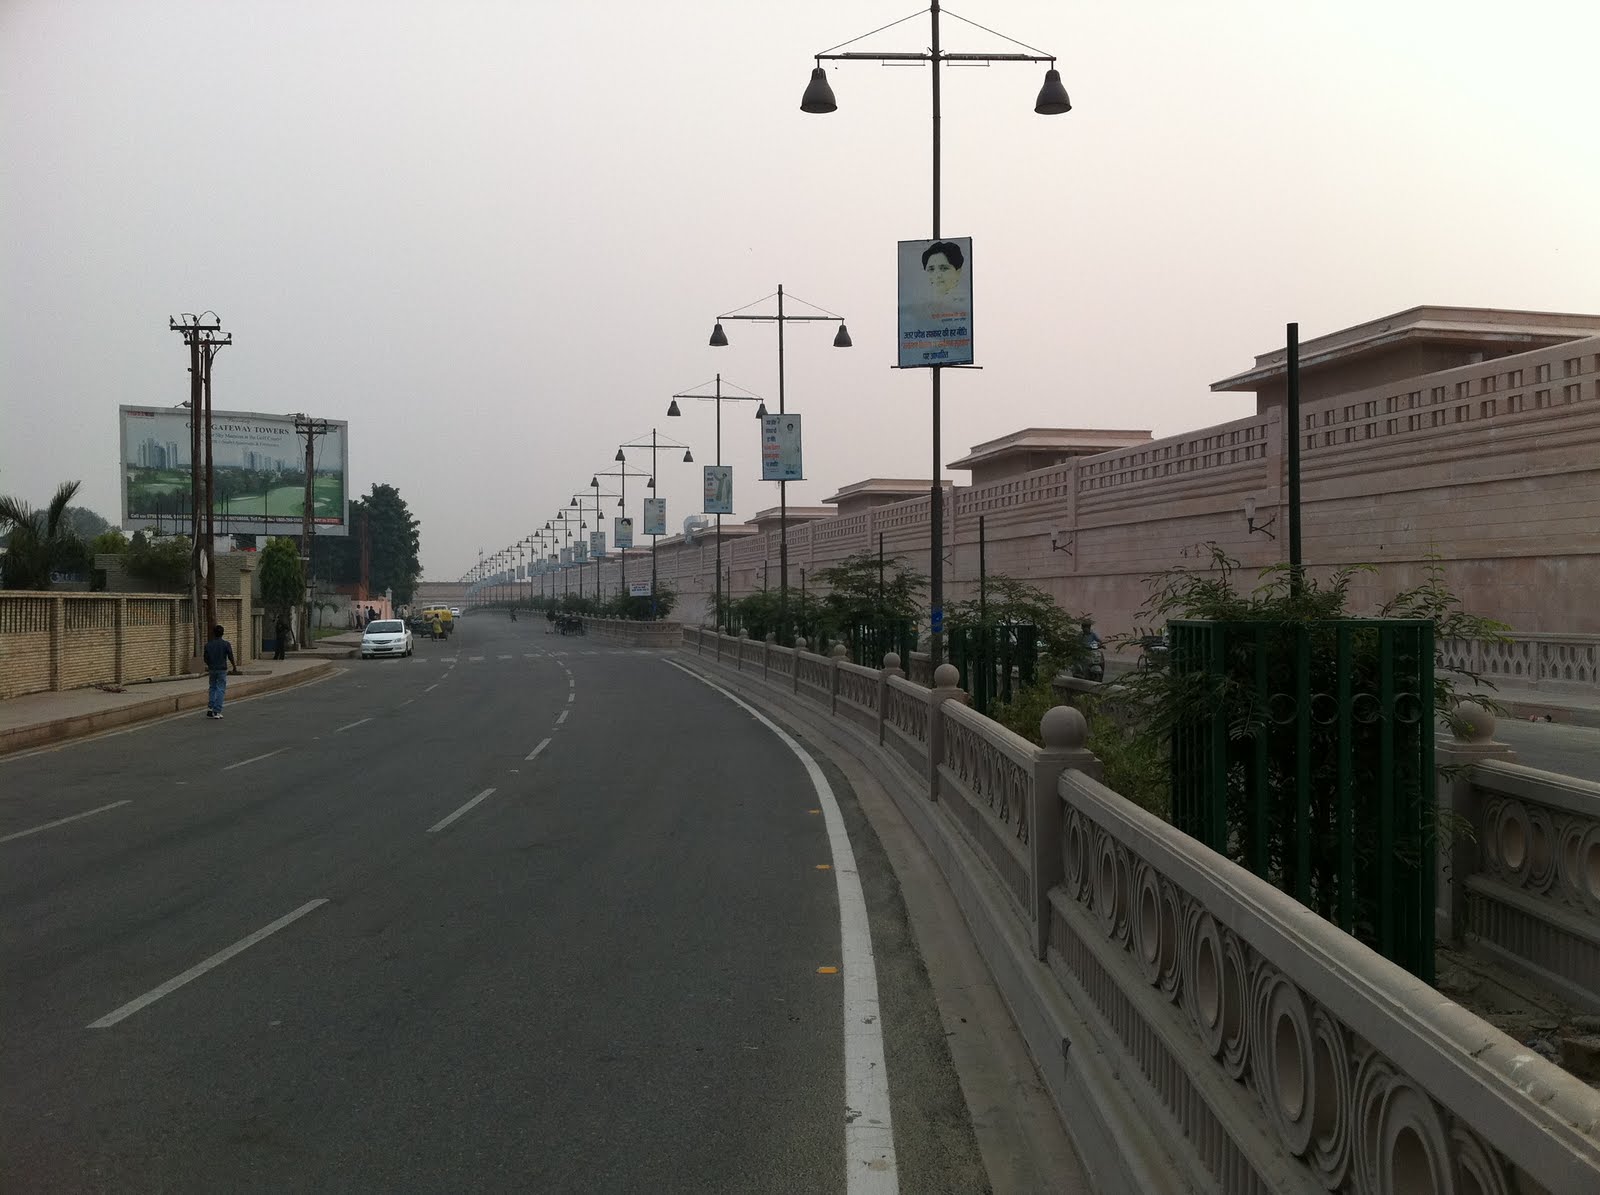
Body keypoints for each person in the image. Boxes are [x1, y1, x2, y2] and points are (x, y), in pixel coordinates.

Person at [203, 623, 240, 719]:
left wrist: (209, 665)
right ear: (222, 633)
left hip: (212, 669)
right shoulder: (226, 644)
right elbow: (230, 656)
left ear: (214, 633)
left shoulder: (208, 645)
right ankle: (217, 711)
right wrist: (234, 666)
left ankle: (210, 708)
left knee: (212, 687)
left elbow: (205, 658)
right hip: (222, 669)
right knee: (220, 689)